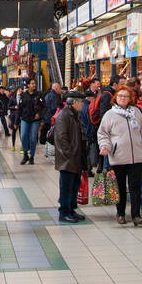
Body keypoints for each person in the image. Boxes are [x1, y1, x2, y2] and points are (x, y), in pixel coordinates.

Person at [98, 85, 142, 226]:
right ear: (115, 98)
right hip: (118, 157)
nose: (123, 98)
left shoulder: (136, 113)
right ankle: (120, 213)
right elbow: (103, 133)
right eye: (120, 96)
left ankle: (136, 215)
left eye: (126, 96)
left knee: (135, 187)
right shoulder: (110, 114)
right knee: (120, 187)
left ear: (130, 98)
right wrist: (105, 146)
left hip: (136, 157)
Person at [52, 90, 88, 223]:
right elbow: (62, 138)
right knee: (66, 186)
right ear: (74, 102)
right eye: (81, 102)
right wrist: (70, 154)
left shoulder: (74, 115)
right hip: (68, 159)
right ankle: (64, 212)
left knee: (74, 185)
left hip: (76, 157)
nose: (82, 105)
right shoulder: (64, 115)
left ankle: (71, 210)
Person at [17, 78, 44, 165]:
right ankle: (25, 154)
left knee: (33, 138)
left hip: (35, 120)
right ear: (28, 85)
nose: (34, 85)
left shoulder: (38, 95)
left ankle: (32, 156)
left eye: (34, 83)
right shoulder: (23, 95)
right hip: (25, 118)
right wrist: (16, 121)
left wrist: (39, 114)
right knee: (23, 135)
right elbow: (20, 108)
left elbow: (44, 106)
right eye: (32, 83)